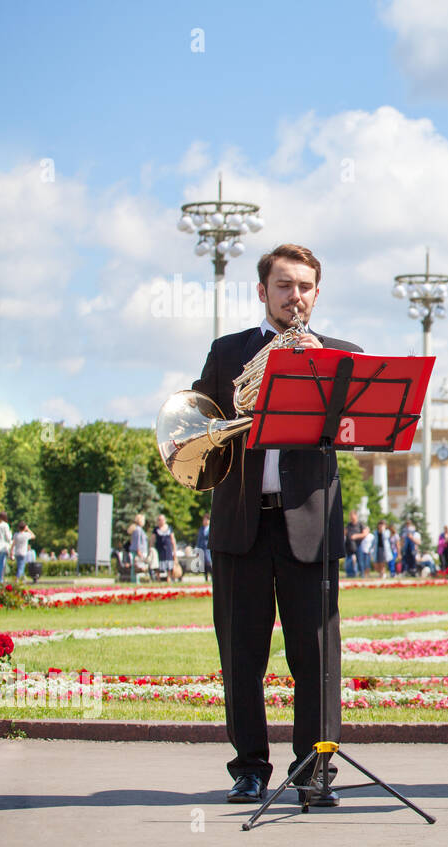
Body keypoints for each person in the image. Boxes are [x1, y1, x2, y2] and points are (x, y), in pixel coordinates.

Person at [190, 242, 359, 806]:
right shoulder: (228, 352)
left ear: (317, 293)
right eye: (284, 286)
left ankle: (315, 770)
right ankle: (249, 768)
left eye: (305, 286)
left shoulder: (343, 356)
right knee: (241, 655)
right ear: (262, 292)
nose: (295, 296)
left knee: (316, 657)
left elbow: (362, 431)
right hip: (242, 525)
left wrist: (320, 367)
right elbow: (202, 434)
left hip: (309, 526)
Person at [154, 515, 176, 583]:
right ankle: (158, 578)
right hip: (159, 549)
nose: (161, 521)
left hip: (168, 549)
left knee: (169, 564)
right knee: (158, 564)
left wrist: (174, 550)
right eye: (159, 520)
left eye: (162, 519)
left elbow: (173, 539)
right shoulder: (156, 529)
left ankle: (168, 578)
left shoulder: (169, 528)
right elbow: (152, 539)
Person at [196, 514, 211, 582]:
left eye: (206, 520)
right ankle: (206, 577)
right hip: (202, 548)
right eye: (204, 520)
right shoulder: (201, 529)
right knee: (204, 564)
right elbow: (199, 540)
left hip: (208, 549)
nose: (205, 521)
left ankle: (212, 576)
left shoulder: (211, 528)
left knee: (209, 563)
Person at [0, 512, 10, 584]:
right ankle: (0, 579)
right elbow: (8, 537)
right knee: (1, 564)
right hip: (2, 547)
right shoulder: (5, 525)